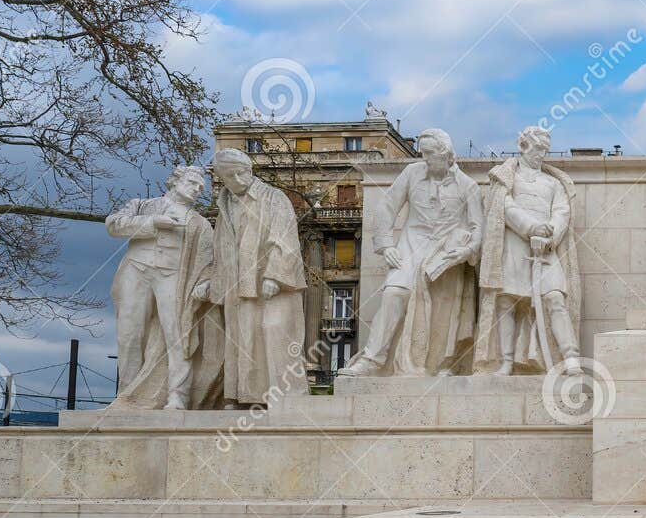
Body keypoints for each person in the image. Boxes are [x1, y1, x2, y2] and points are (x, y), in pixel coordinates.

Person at [339, 128, 482, 377]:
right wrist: (386, 245)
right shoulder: (412, 173)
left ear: (445, 154)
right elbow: (386, 208)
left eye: (428, 153)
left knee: (442, 304)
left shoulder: (468, 186)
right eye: (422, 153)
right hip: (410, 245)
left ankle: (437, 364)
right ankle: (372, 361)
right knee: (394, 293)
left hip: (445, 255)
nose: (424, 158)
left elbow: (478, 228)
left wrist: (466, 251)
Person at [107, 166, 222, 409]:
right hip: (135, 270)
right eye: (192, 183)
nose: (197, 189)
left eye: (201, 187)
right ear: (175, 181)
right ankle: (127, 395)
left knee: (178, 333)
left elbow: (210, 260)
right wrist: (153, 223)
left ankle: (177, 396)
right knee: (129, 334)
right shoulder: (142, 205)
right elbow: (114, 225)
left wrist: (203, 283)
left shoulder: (200, 223)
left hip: (173, 276)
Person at [475, 125, 582, 375]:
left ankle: (571, 357)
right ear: (524, 146)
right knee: (507, 302)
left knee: (555, 298)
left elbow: (562, 211)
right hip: (514, 246)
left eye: (545, 150)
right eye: (538, 149)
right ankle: (507, 361)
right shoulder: (505, 178)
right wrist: (531, 228)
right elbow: (504, 207)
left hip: (546, 249)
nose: (541, 155)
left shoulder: (554, 183)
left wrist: (550, 234)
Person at [206, 148, 308, 406]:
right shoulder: (225, 204)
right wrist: (213, 281)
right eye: (231, 176)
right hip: (235, 282)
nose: (239, 180)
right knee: (241, 339)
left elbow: (283, 237)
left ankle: (286, 395)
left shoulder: (273, 197)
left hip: (269, 281)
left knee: (275, 331)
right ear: (221, 178)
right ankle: (244, 396)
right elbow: (220, 247)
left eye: (242, 173)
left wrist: (275, 274)